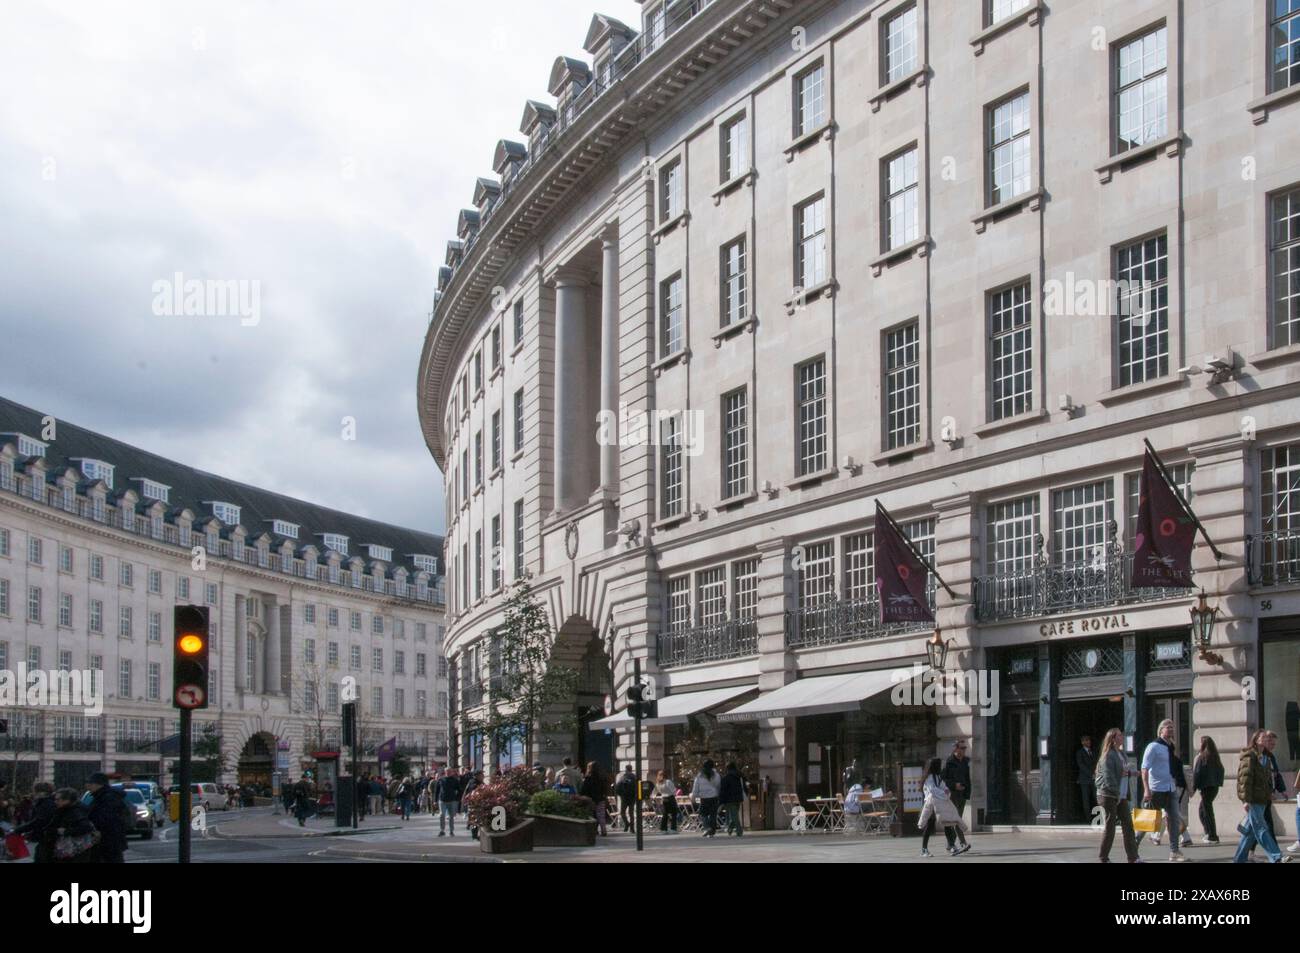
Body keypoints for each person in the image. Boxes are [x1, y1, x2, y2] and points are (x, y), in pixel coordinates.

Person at [1234, 729, 1291, 863]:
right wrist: (1245, 800)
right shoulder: (1249, 756)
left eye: (1267, 737)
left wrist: (1270, 792)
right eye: (1264, 737)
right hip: (1253, 799)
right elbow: (1244, 780)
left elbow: (1267, 779)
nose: (1267, 739)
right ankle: (1277, 857)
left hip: (1262, 799)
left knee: (1249, 832)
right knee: (1261, 828)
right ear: (1256, 740)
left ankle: (1238, 859)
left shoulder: (1265, 757)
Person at [1138, 719, 1186, 862]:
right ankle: (1133, 846)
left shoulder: (1170, 747)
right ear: (1160, 730)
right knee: (1148, 820)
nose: (1171, 730)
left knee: (1173, 820)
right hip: (1156, 789)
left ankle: (1174, 851)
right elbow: (1144, 769)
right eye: (1168, 727)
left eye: (1172, 727)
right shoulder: (1153, 746)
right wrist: (1146, 790)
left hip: (1170, 788)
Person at [1094, 728, 1139, 863]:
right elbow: (1109, 778)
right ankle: (1103, 857)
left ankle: (1133, 857)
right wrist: (1117, 794)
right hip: (1108, 795)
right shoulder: (1108, 755)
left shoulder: (1121, 753)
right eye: (1119, 735)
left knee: (1128, 825)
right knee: (1110, 826)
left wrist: (1132, 773)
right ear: (1113, 739)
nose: (1122, 737)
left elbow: (1120, 772)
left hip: (1121, 794)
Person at [918, 757, 969, 856]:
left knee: (947, 823)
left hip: (940, 803)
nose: (941, 767)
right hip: (931, 805)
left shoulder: (938, 777)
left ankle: (952, 846)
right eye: (939, 765)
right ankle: (924, 849)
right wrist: (944, 792)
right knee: (929, 826)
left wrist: (946, 792)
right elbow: (933, 790)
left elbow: (944, 787)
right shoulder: (929, 778)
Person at [39, 788, 97, 863]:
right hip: (71, 850)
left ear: (67, 800)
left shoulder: (75, 811)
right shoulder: (64, 810)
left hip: (75, 850)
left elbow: (85, 827)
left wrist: (65, 831)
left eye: (58, 799)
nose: (55, 802)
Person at [84, 772, 128, 863]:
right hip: (106, 839)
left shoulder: (108, 797)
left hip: (108, 839)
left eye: (90, 783)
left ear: (98, 784)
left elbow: (108, 818)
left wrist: (97, 829)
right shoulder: (101, 796)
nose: (87, 786)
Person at [13, 782, 58, 863]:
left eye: (35, 791)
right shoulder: (46, 802)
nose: (34, 793)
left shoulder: (46, 803)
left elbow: (39, 821)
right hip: (46, 837)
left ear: (42, 792)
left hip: (47, 837)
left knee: (42, 858)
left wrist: (20, 829)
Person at [1191, 735, 1223, 845]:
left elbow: (1197, 773)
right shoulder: (1215, 757)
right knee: (1205, 810)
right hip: (1214, 787)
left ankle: (1211, 835)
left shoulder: (1202, 757)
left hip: (1206, 787)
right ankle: (1210, 833)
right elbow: (1221, 771)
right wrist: (1218, 783)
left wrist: (1193, 788)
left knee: (1206, 811)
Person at [942, 740, 972, 826]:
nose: (964, 750)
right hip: (953, 793)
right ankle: (961, 839)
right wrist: (954, 785)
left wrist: (967, 791)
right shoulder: (949, 762)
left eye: (965, 748)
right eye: (962, 748)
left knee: (959, 817)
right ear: (956, 749)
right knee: (956, 817)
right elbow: (943, 779)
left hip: (963, 793)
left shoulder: (965, 761)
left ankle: (954, 837)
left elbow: (967, 778)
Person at [692, 760, 722, 837]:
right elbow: (718, 786)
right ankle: (712, 831)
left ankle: (707, 827)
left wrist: (694, 796)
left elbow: (696, 787)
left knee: (703, 814)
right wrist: (718, 794)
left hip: (704, 797)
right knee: (713, 814)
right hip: (714, 797)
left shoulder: (699, 776)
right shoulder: (716, 775)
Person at [580, 762, 609, 836]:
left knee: (592, 815)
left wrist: (583, 796)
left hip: (590, 799)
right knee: (601, 815)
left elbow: (584, 789)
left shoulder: (588, 778)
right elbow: (605, 788)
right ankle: (603, 830)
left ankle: (594, 830)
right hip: (600, 798)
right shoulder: (602, 777)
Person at [719, 762, 746, 836]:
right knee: (735, 815)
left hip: (729, 799)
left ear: (727, 769)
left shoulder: (726, 778)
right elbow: (744, 786)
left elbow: (723, 790)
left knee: (734, 816)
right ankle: (730, 827)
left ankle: (739, 830)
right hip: (738, 798)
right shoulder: (740, 776)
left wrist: (721, 801)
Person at [1075, 735, 1097, 820]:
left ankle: (1099, 816)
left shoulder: (1093, 752)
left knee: (1096, 797)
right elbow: (1081, 765)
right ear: (1082, 742)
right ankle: (1088, 818)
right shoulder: (1079, 753)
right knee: (1086, 800)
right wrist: (1091, 774)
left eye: (1089, 740)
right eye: (1086, 741)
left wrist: (1096, 773)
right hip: (1085, 779)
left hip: (1094, 779)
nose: (1089, 742)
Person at [436, 767, 461, 836]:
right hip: (442, 800)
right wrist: (435, 800)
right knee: (442, 815)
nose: (448, 772)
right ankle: (442, 830)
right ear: (445, 772)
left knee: (451, 816)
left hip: (452, 800)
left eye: (449, 771)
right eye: (447, 771)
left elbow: (459, 790)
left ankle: (451, 830)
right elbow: (437, 790)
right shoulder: (441, 780)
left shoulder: (455, 780)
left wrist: (457, 798)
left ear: (452, 772)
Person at [615, 764, 639, 831]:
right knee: (631, 813)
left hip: (624, 797)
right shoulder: (635, 777)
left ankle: (627, 824)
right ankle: (632, 828)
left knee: (622, 812)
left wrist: (620, 794)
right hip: (632, 797)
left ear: (626, 769)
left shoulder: (623, 777)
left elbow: (617, 787)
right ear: (631, 769)